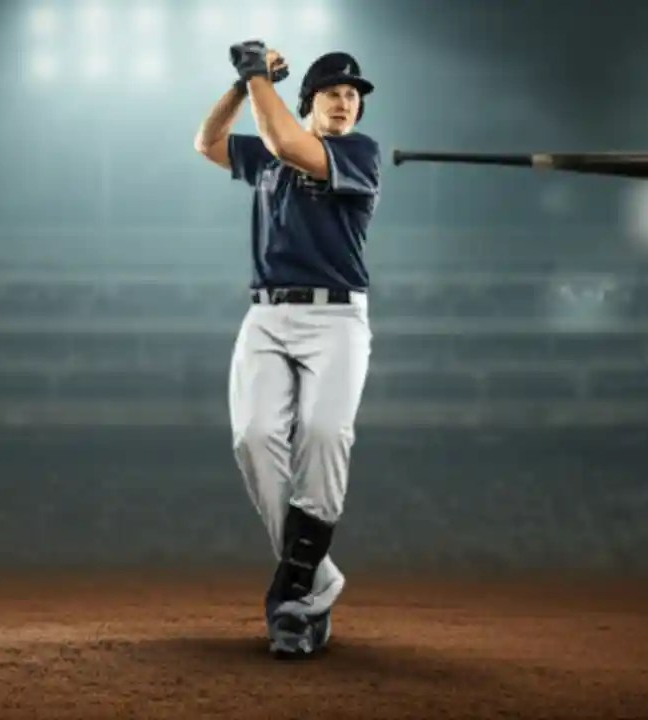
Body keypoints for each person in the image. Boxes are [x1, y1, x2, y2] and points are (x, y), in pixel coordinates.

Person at [193, 42, 382, 658]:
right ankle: (314, 580)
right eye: (333, 94)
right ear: (308, 101)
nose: (346, 104)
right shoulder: (269, 148)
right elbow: (208, 142)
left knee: (326, 434)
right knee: (252, 437)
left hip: (336, 317)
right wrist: (239, 85)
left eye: (353, 96)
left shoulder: (359, 152)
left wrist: (256, 78)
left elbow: (283, 142)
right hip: (267, 314)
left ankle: (293, 595)